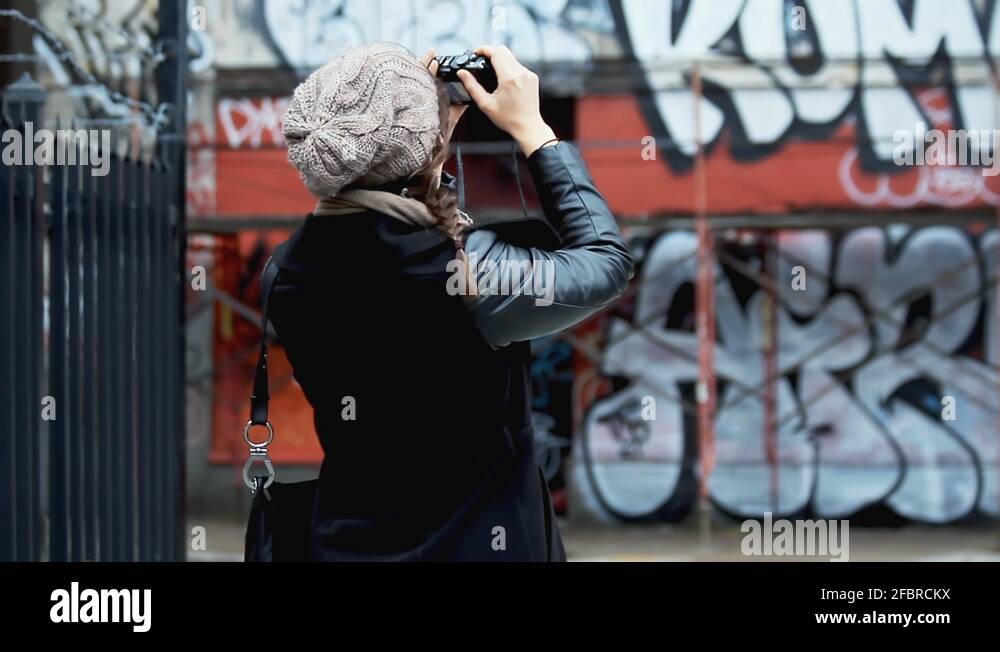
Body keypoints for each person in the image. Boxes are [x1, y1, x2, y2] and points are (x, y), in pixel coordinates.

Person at [267, 42, 633, 561]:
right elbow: (605, 263)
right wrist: (535, 132)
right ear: (429, 150)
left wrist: (425, 143)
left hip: (347, 545)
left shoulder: (283, 274)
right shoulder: (467, 275)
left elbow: (388, 224)